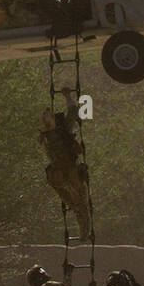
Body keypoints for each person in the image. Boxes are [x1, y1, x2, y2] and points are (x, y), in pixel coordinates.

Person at [38, 87, 92, 240]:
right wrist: (68, 96)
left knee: (75, 205)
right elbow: (74, 111)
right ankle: (84, 234)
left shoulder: (43, 138)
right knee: (82, 205)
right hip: (70, 174)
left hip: (56, 177)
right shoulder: (63, 132)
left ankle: (79, 220)